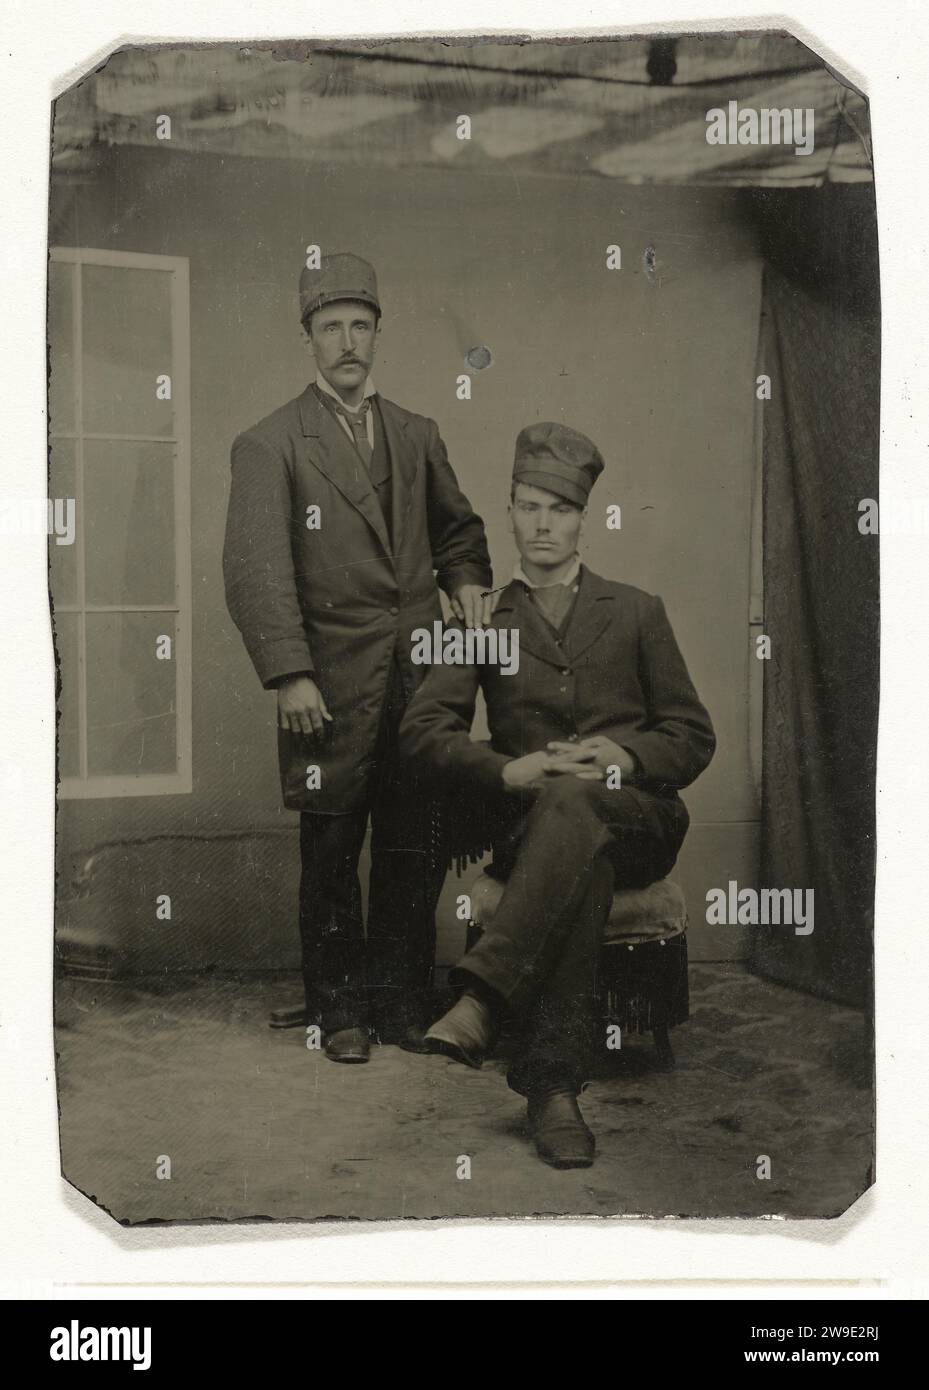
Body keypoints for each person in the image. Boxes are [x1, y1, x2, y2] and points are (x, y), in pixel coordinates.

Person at [399, 422, 715, 1166]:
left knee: (581, 805)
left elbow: (691, 737)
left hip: (637, 817)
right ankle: (551, 1089)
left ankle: (484, 996)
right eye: (528, 507)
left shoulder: (637, 610)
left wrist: (627, 755)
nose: (543, 524)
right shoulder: (485, 621)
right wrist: (503, 770)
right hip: (539, 827)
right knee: (574, 835)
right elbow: (421, 732)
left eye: (559, 510)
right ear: (507, 513)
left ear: (583, 519)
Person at [223, 252, 492, 1063]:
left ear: (378, 333)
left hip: (414, 687)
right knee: (333, 852)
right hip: (326, 688)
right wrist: (289, 672)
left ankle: (401, 1000)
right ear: (307, 338)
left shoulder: (416, 435)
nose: (347, 341)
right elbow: (255, 567)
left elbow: (459, 532)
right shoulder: (270, 444)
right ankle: (337, 1011)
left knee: (410, 846)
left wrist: (469, 583)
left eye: (360, 325)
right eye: (330, 326)